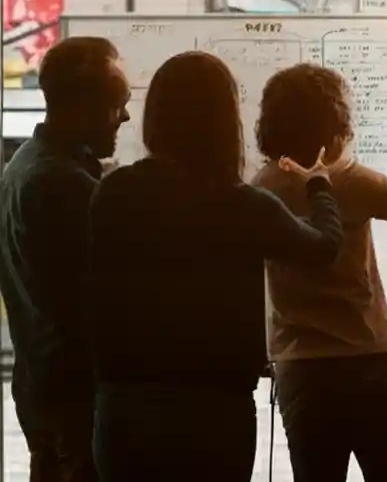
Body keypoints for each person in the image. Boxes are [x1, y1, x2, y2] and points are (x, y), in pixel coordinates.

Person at [87, 51, 345, 482]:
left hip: (126, 408)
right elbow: (323, 247)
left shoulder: (113, 193)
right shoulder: (242, 204)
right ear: (225, 122)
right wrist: (319, 184)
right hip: (215, 414)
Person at [252, 63, 387, 482]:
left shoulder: (261, 189)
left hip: (302, 368)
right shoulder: (353, 181)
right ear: (335, 125)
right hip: (371, 360)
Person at [0, 36, 132, 482]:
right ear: (84, 105)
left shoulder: (26, 165)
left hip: (43, 386)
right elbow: (101, 300)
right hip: (77, 396)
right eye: (118, 104)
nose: (126, 116)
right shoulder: (62, 184)